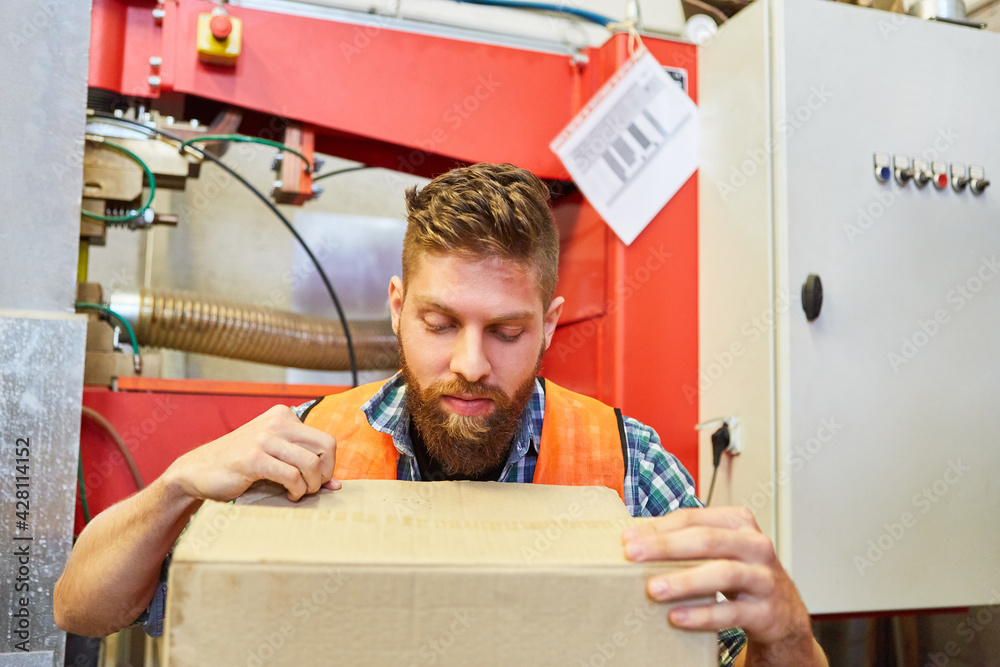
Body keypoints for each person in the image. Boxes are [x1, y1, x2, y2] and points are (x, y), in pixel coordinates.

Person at [55, 163, 827, 667]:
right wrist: (177, 485)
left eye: (507, 331)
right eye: (440, 322)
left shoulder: (631, 471)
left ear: (550, 326)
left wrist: (788, 632)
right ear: (397, 308)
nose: (470, 363)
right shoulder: (302, 450)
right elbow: (80, 607)